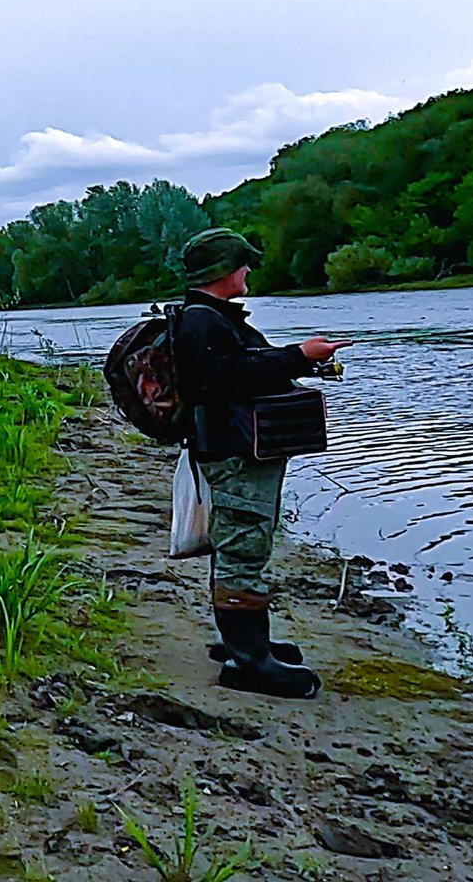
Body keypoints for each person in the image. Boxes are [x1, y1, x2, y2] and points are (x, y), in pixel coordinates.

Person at [173, 227, 351, 700]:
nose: (249, 270)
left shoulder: (212, 318)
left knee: (244, 543)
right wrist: (297, 355)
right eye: (243, 263)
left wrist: (305, 363)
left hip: (241, 449)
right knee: (243, 546)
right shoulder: (200, 322)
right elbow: (221, 379)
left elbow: (244, 366)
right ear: (225, 270)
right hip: (234, 454)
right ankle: (248, 663)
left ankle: (248, 643)